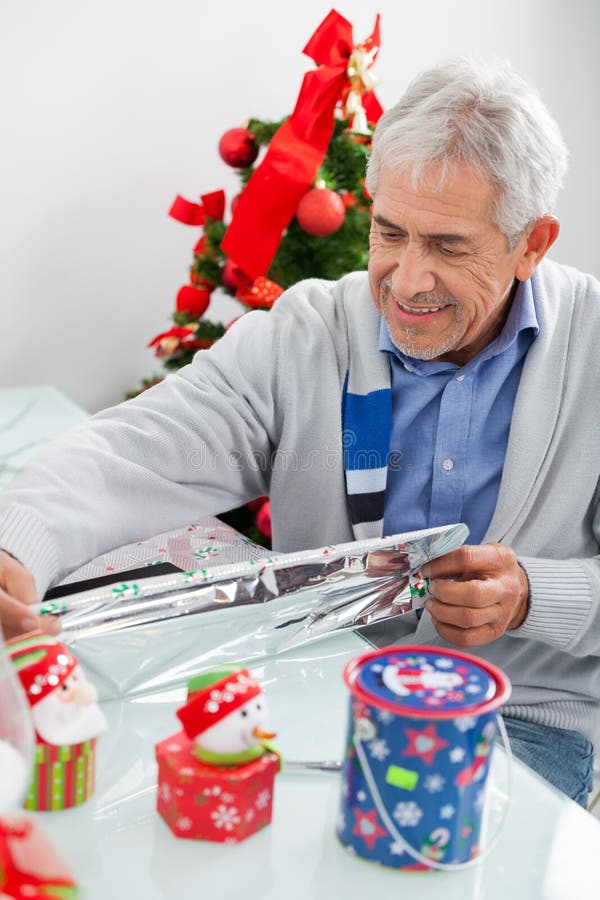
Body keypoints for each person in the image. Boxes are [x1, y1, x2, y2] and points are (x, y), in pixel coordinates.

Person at [0, 57, 598, 808]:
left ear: (533, 243)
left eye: (448, 247)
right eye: (390, 232)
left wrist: (536, 595)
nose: (408, 282)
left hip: (522, 716)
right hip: (310, 689)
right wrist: (16, 543)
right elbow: (136, 449)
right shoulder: (307, 332)